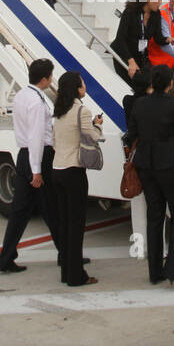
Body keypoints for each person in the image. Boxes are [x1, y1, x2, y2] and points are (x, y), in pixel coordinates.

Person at [0, 59, 63, 273]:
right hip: (38, 157)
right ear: (44, 79)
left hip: (23, 156)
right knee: (52, 209)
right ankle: (67, 254)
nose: (52, 79)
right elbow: (35, 137)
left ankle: (5, 258)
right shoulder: (36, 102)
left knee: (19, 211)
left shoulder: (22, 96)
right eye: (51, 76)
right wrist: (37, 170)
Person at [130, 65, 174, 286]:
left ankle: (155, 271)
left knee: (154, 216)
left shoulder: (139, 104)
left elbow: (132, 133)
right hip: (170, 164)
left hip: (146, 165)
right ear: (170, 84)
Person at [51, 71, 102, 287]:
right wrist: (97, 124)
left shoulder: (59, 110)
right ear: (77, 88)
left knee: (64, 222)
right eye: (82, 83)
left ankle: (66, 271)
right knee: (76, 224)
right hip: (73, 170)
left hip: (57, 168)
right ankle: (76, 275)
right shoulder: (82, 110)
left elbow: (54, 141)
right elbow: (93, 136)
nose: (85, 86)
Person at [111, 0, 163, 81]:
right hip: (125, 56)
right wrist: (130, 61)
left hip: (141, 57)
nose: (160, 2)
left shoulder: (156, 14)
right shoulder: (130, 12)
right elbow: (120, 39)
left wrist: (168, 40)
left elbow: (158, 38)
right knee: (136, 86)